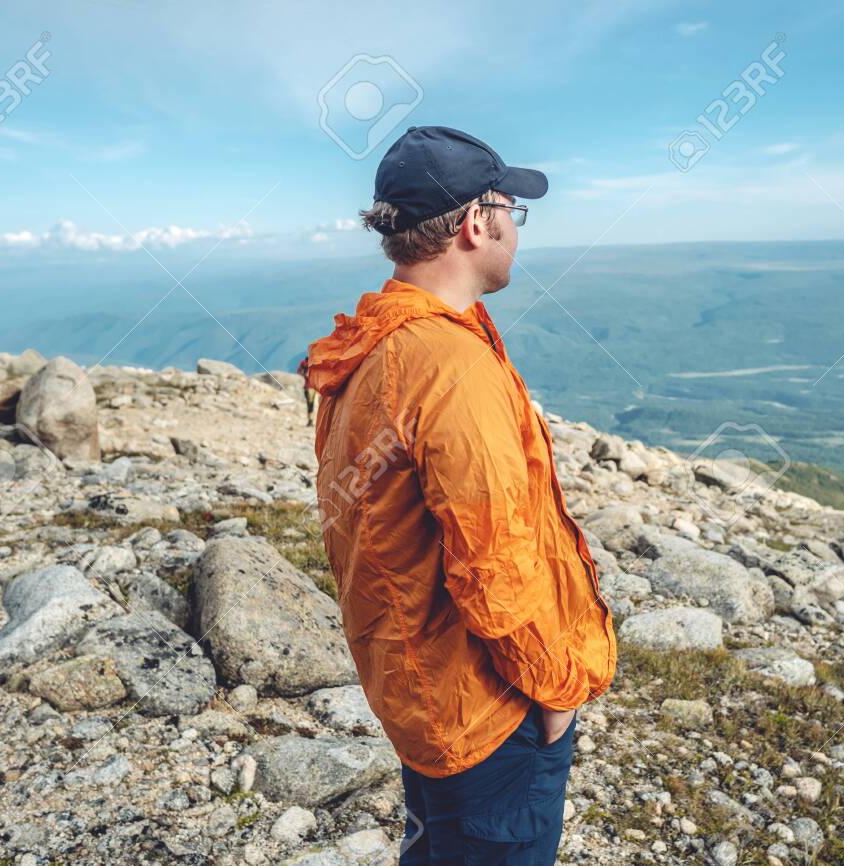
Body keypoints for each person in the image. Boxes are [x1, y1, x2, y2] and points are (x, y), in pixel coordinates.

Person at [305, 126, 616, 865]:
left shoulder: (379, 344)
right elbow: (494, 555)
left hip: (427, 692)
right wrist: (555, 689)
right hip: (487, 712)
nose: (515, 228)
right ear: (479, 222)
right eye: (513, 210)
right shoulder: (447, 365)